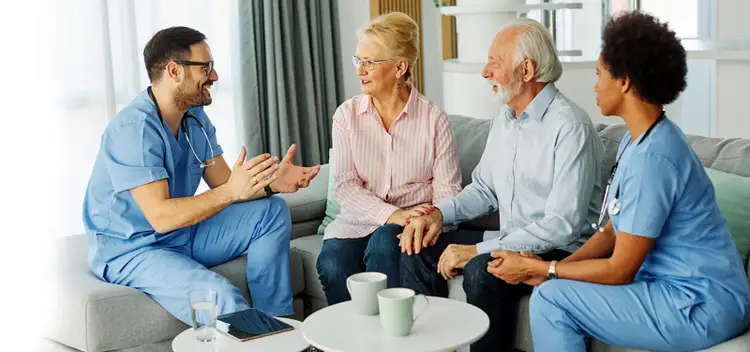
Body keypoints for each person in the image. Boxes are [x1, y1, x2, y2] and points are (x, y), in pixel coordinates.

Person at [483, 11, 750, 352]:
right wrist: (554, 268)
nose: (594, 85)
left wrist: (545, 269)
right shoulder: (636, 140)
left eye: (599, 75)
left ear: (624, 81)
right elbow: (610, 231)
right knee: (551, 289)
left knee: (552, 300)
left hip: (701, 304)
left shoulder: (655, 158)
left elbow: (620, 269)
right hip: (676, 290)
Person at [82, 26, 320, 325]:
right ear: (174, 71)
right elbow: (161, 217)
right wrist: (233, 191)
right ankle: (260, 340)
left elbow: (224, 183)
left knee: (270, 211)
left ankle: (279, 326)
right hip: (133, 248)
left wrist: (272, 184)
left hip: (182, 233)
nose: (215, 76)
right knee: (218, 296)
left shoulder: (194, 117)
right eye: (205, 67)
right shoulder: (134, 130)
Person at [398, 18, 605, 351]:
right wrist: (438, 214)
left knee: (483, 268)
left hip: (560, 252)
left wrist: (476, 250)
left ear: (526, 70)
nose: (484, 72)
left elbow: (561, 227)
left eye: (494, 63)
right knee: (417, 244)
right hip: (510, 238)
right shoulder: (505, 120)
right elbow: (484, 190)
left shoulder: (570, 127)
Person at [316, 12, 461, 305]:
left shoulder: (434, 119)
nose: (360, 71)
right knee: (332, 263)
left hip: (410, 227)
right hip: (357, 222)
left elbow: (448, 194)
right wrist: (390, 215)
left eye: (369, 62)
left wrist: (421, 220)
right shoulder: (347, 115)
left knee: (385, 244)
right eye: (358, 61)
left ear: (400, 67)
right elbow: (345, 185)